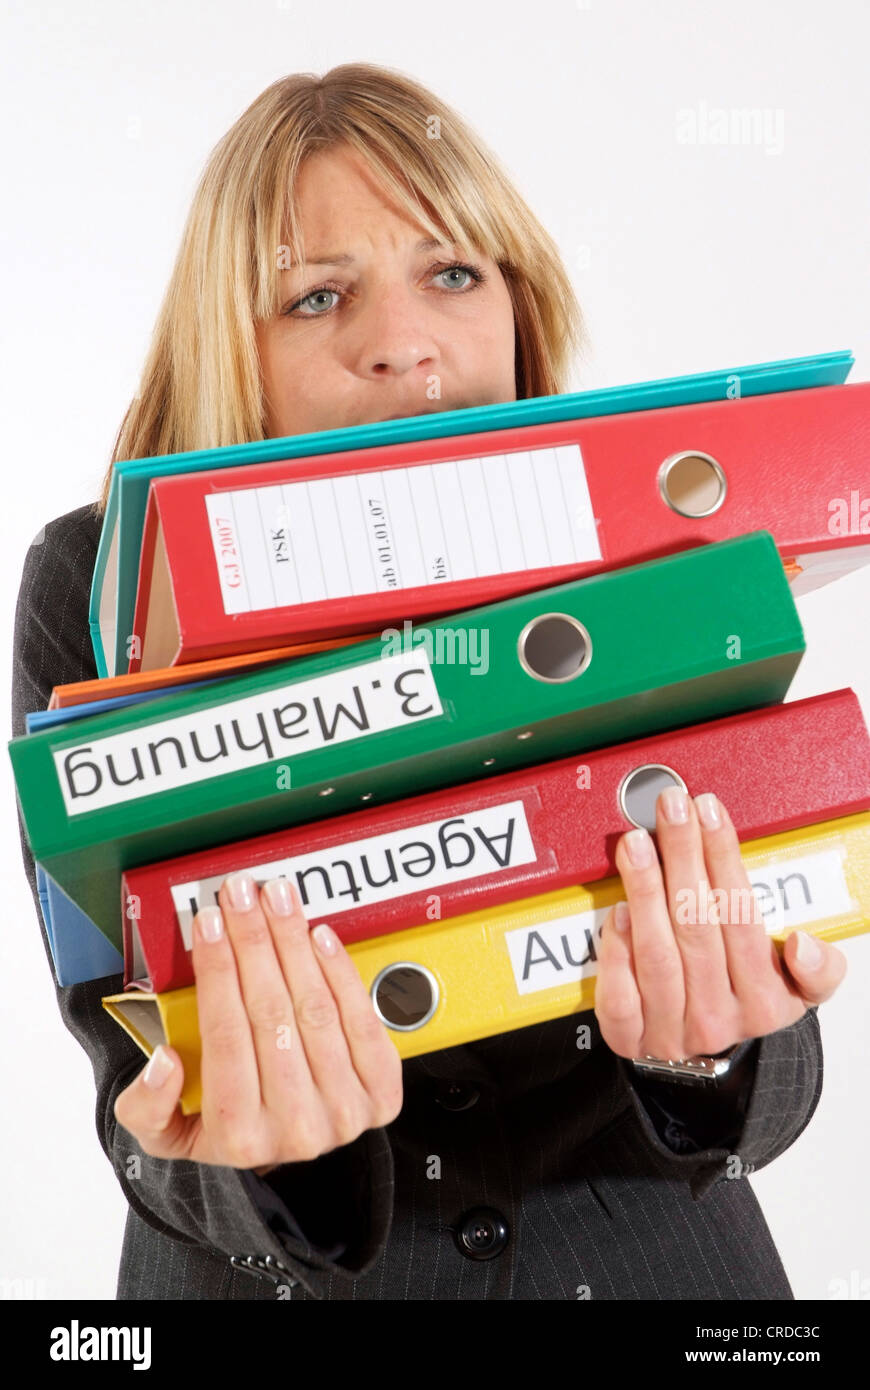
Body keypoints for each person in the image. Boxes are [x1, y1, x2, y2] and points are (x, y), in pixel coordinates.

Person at [11, 63, 846, 1301]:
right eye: (318, 295)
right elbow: (128, 1087)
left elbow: (773, 1072)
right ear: (227, 347)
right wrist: (278, 1155)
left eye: (453, 273)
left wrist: (709, 1054)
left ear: (519, 307)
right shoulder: (96, 583)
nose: (403, 344)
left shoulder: (649, 562)